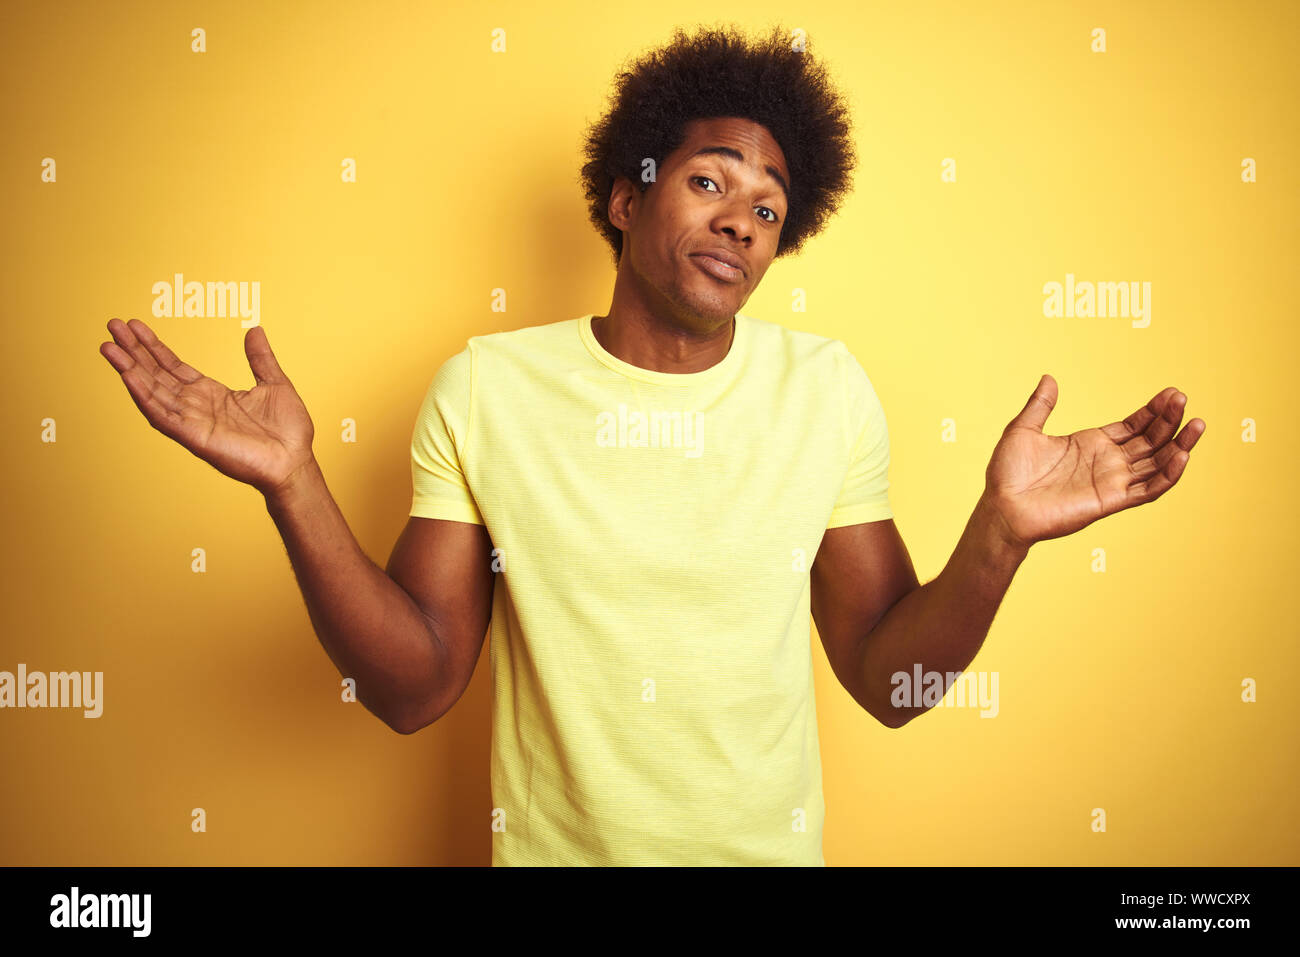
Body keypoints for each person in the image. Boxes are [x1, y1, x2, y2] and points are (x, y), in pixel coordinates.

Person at [99, 24, 1205, 866]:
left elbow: (888, 680)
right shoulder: (487, 390)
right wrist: (293, 484)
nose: (739, 218)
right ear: (626, 200)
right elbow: (414, 688)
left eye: (769, 209)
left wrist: (1000, 535)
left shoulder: (822, 392)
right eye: (709, 179)